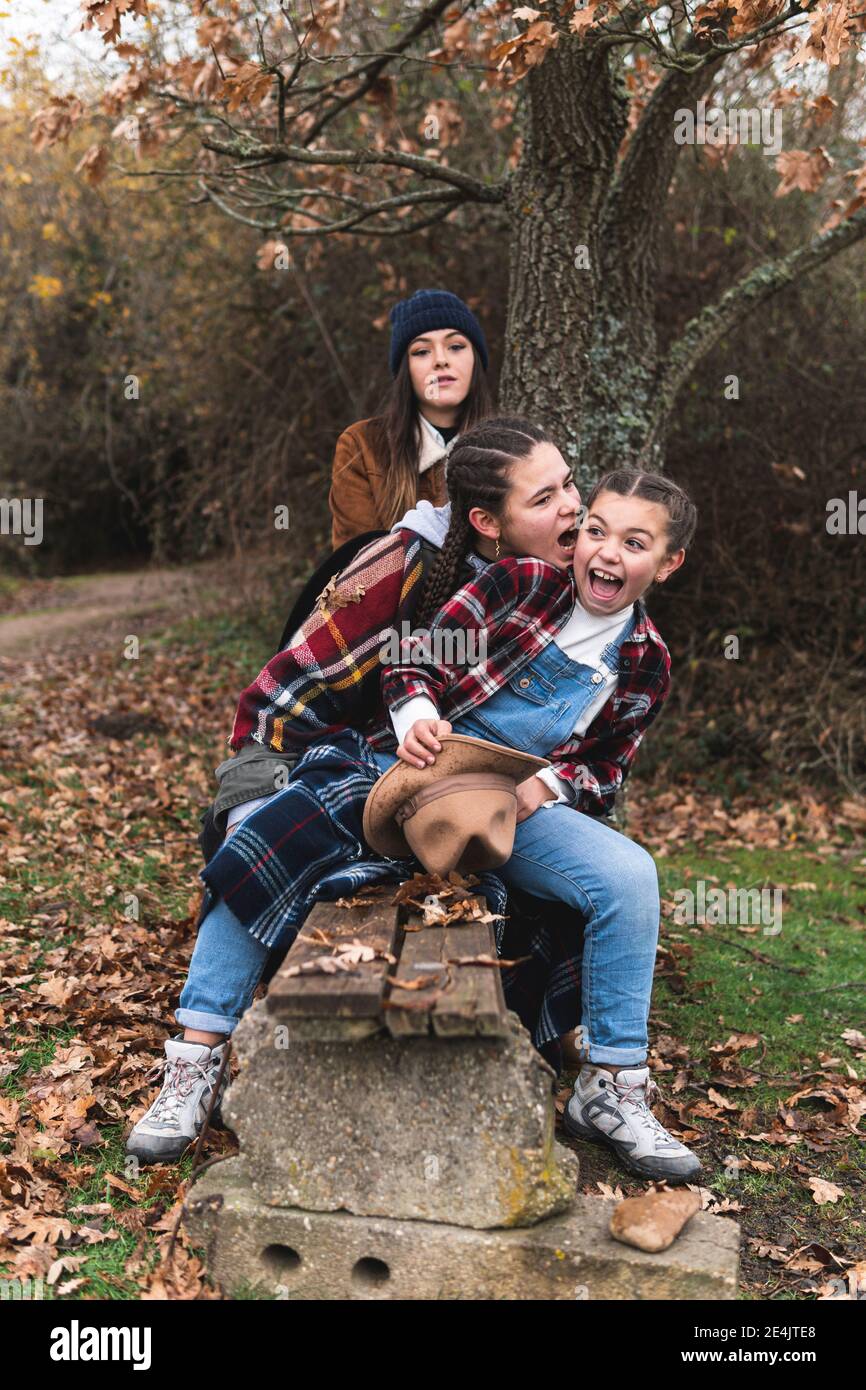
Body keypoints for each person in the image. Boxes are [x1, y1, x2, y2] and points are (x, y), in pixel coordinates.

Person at [126, 419, 580, 1165]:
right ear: (486, 523)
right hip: (344, 763)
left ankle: (575, 1064)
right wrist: (254, 798)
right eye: (546, 496)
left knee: (532, 911)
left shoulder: (578, 590)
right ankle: (195, 1058)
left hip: (468, 808)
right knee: (273, 845)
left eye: (570, 483)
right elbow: (286, 694)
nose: (571, 506)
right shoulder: (406, 562)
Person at [371, 461, 700, 1182]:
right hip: (427, 779)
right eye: (597, 531)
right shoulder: (518, 584)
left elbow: (606, 768)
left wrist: (550, 782)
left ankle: (610, 1086)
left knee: (631, 876)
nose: (607, 554)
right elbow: (413, 659)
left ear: (667, 565)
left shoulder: (646, 662)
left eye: (635, 544)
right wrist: (420, 716)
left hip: (513, 814)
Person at [328, 288, 493, 548]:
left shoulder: (511, 446)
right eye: (421, 351)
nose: (441, 360)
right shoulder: (362, 446)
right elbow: (356, 571)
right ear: (405, 369)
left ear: (475, 358)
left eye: (456, 346)